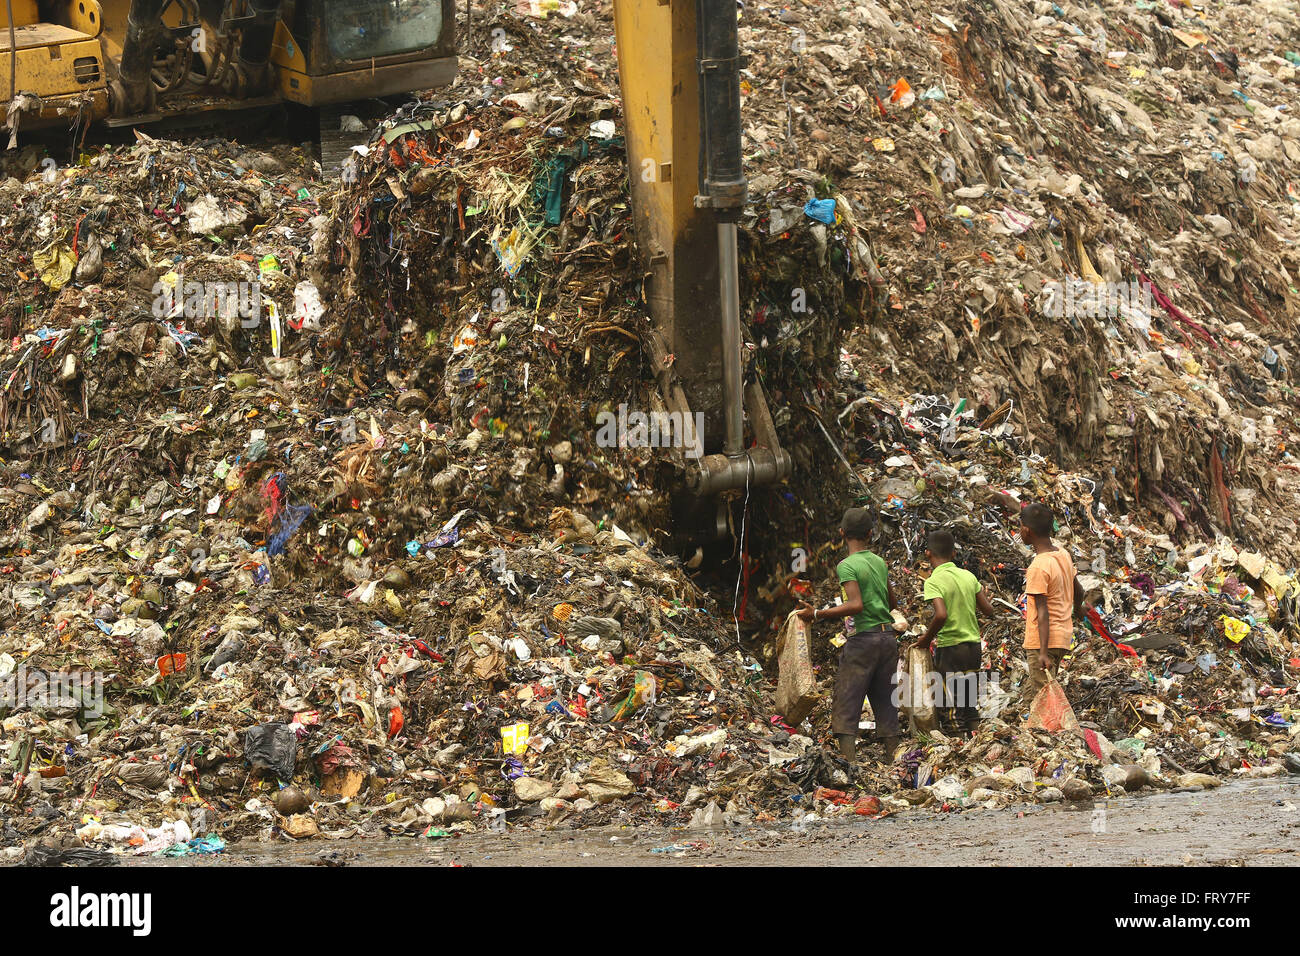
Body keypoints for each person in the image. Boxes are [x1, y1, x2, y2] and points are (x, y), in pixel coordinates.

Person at [797, 507, 901, 762]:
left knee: (847, 697)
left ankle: (849, 762)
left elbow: (855, 605)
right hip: (887, 639)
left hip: (863, 640)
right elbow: (892, 601)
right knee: (885, 700)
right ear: (870, 534)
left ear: (842, 533)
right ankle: (892, 758)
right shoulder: (879, 562)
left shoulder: (847, 566)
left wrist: (818, 613)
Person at [916, 529, 997, 735]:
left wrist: (926, 640)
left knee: (951, 707)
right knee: (969, 702)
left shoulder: (933, 581)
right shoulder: (968, 576)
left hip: (951, 649)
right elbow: (989, 611)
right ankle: (977, 743)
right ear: (954, 554)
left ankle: (958, 747)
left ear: (928, 554)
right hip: (973, 649)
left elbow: (941, 615)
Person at [1019, 502, 1088, 703]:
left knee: (1044, 700)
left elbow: (1042, 611)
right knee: (1047, 694)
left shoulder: (1038, 567)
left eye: (1020, 526)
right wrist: (1078, 611)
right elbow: (1079, 589)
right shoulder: (1063, 554)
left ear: (1026, 530)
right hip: (1063, 637)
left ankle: (1053, 732)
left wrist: (1042, 652)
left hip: (1043, 642)